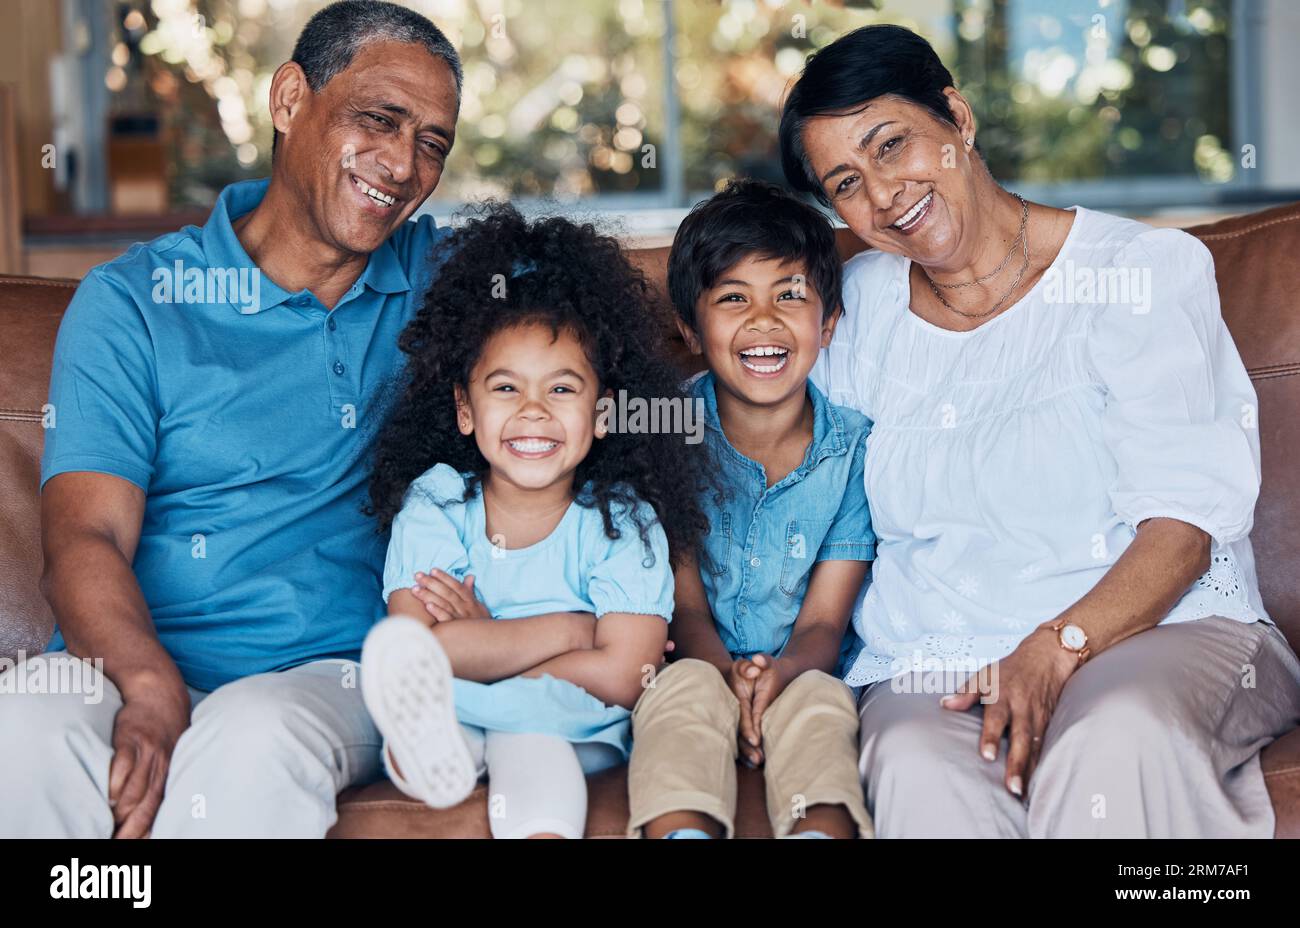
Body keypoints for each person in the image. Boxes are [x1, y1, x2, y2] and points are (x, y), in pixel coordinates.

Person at [778, 23, 1300, 837]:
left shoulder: (1135, 275)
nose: (881, 196)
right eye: (845, 182)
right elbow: (758, 433)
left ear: (956, 116)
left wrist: (1056, 648)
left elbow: (1185, 528)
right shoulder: (856, 309)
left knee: (1111, 737)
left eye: (892, 146)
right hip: (936, 659)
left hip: (1163, 629)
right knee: (915, 763)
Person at [0, 0, 463, 838]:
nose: (401, 164)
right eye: (380, 120)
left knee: (253, 738)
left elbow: (649, 278)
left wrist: (749, 290)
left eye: (432, 143)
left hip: (333, 674)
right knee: (18, 730)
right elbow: (85, 538)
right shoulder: (135, 302)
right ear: (290, 100)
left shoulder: (449, 282)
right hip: (127, 662)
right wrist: (148, 685)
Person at [361, 202, 711, 839]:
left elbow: (623, 676)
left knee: (532, 744)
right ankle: (440, 755)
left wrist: (484, 644)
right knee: (443, 725)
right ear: (465, 409)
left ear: (603, 413)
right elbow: (420, 652)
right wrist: (577, 629)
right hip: (456, 708)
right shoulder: (438, 503)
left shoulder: (623, 523)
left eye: (561, 388)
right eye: (505, 389)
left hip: (569, 725)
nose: (533, 411)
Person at [626, 180, 875, 839]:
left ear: (826, 325)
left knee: (821, 703)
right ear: (690, 326)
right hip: (694, 659)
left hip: (803, 664)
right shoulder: (665, 433)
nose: (763, 321)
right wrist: (728, 680)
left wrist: (780, 673)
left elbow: (825, 620)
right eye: (733, 297)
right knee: (678, 696)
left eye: (788, 296)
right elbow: (683, 607)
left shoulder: (851, 451)